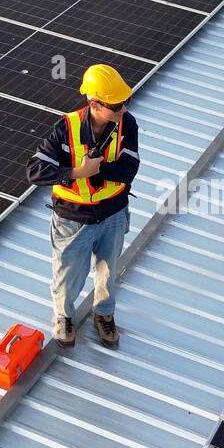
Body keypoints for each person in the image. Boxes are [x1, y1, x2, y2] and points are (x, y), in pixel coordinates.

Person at [26, 64, 139, 349]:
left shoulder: (128, 124)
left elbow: (129, 169)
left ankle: (104, 314)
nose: (122, 109)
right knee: (68, 274)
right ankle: (63, 317)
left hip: (112, 212)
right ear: (95, 103)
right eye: (115, 105)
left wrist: (96, 170)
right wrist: (77, 172)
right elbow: (35, 170)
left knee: (108, 271)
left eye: (125, 102)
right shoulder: (67, 128)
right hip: (73, 218)